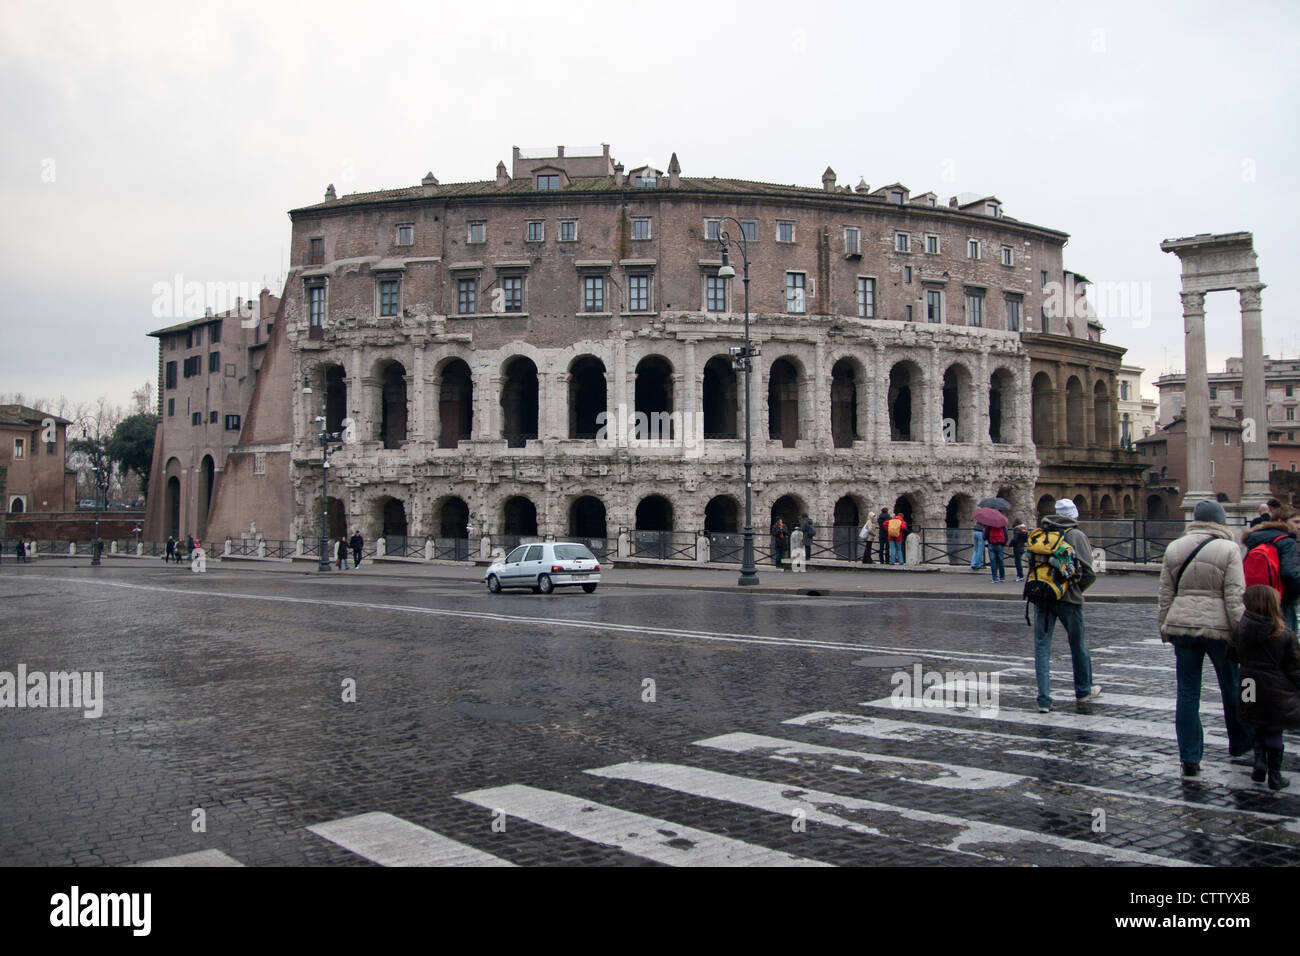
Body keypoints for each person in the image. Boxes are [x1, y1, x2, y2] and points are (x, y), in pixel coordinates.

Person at [1159, 499, 1252, 776]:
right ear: (1219, 521)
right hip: (1219, 629)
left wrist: (1164, 624)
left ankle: (1189, 757)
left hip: (1182, 626)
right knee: (1232, 687)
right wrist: (1241, 632)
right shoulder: (1230, 549)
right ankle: (1240, 744)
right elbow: (1235, 596)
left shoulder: (1174, 547)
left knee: (1187, 693)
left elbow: (1165, 592)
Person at [1031, 499, 1100, 714]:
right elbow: (1088, 572)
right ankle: (1083, 690)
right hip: (1069, 599)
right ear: (1074, 516)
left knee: (1042, 648)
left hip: (1042, 596)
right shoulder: (1076, 536)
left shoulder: (1041, 534)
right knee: (1077, 645)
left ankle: (1043, 700)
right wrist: (1075, 588)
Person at [1229, 585, 1300, 790]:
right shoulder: (1284, 633)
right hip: (1275, 688)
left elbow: (1232, 654)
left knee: (1256, 720)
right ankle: (1275, 775)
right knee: (1274, 729)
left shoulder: (1241, 629)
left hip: (1250, 683)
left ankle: (1259, 763)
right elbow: (1293, 668)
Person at [1242, 505, 1300, 634]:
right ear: (1280, 521)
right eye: (1295, 522)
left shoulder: (1255, 539)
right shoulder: (1287, 542)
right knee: (1286, 644)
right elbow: (1290, 573)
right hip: (1282, 601)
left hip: (1256, 600)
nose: (1299, 526)